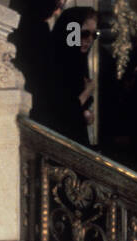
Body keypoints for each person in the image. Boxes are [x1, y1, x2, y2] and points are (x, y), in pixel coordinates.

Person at [31, 6, 100, 146]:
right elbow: (63, 111)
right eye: (85, 34)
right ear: (71, 32)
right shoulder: (53, 63)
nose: (90, 39)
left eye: (95, 35)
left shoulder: (78, 63)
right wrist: (87, 92)